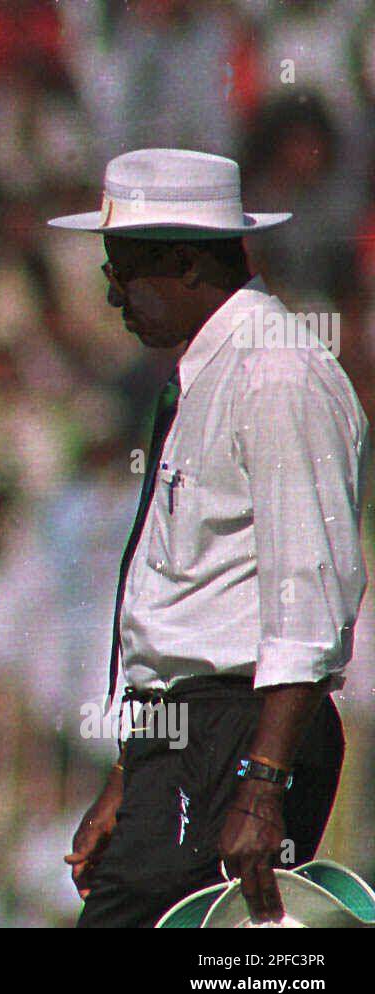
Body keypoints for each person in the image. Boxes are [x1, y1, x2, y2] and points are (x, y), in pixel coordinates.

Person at [49, 149, 368, 928]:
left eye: (123, 271)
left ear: (187, 264)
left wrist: (263, 781)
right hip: (189, 738)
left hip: (239, 729)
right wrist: (131, 778)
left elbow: (308, 592)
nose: (114, 295)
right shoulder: (212, 373)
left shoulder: (276, 372)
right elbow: (188, 602)